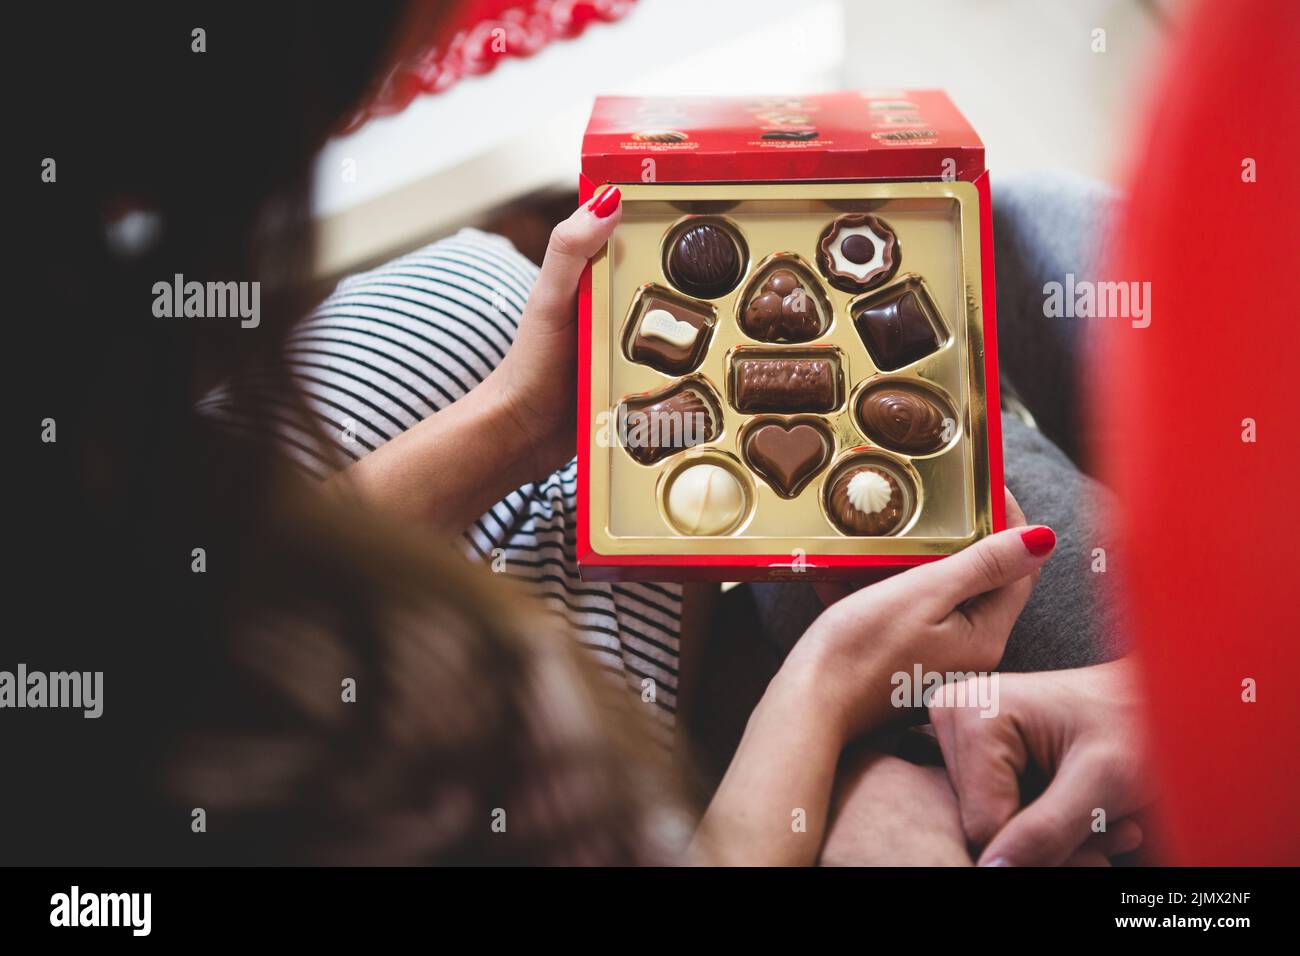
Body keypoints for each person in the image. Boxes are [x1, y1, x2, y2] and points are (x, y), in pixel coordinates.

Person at [14, 1, 1111, 866]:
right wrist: (831, 698)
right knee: (1027, 267)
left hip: (576, 471)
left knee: (1020, 231)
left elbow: (221, 590)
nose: (360, 110)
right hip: (710, 651)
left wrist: (518, 423)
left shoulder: (109, 513)